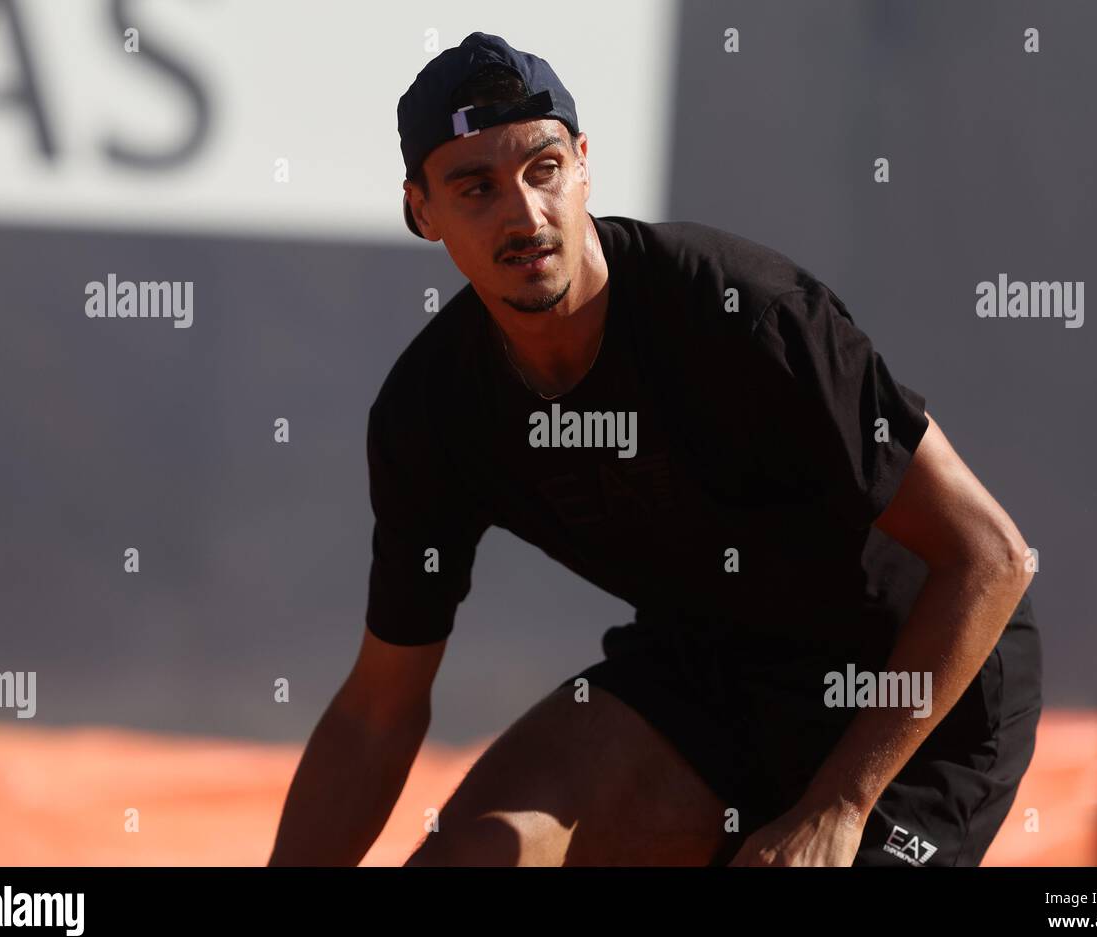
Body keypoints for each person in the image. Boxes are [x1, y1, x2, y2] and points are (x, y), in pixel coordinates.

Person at [268, 32, 1041, 867]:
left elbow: (992, 558)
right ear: (423, 211)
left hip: (919, 689)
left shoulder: (744, 312)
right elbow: (377, 711)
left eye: (543, 168)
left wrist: (840, 806)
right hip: (711, 677)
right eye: (476, 187)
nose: (525, 214)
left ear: (584, 165)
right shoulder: (431, 411)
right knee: (475, 857)